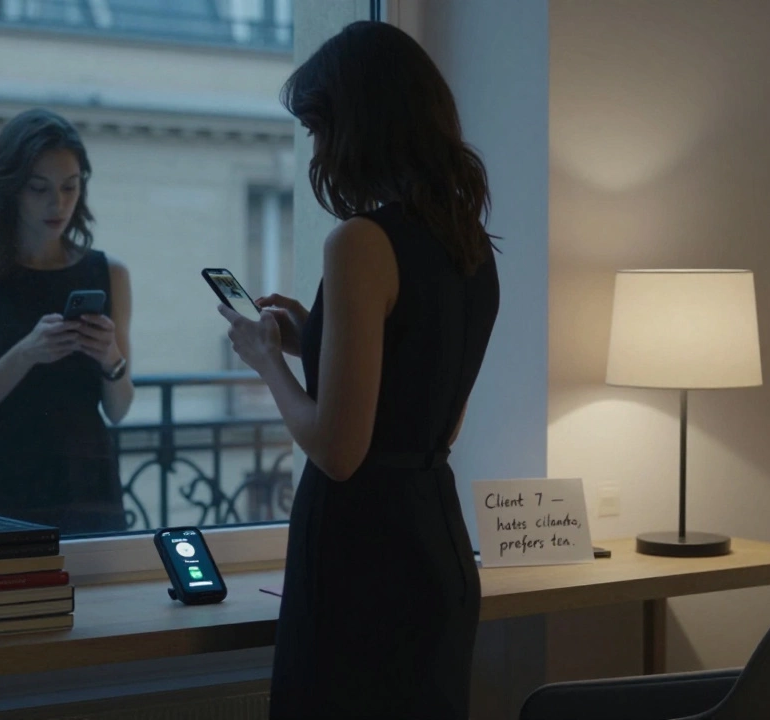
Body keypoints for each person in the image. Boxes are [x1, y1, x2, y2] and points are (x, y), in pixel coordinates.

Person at [217, 21, 501, 719]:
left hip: (361, 560)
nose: (315, 149)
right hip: (436, 545)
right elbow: (431, 408)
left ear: (356, 127)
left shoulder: (360, 243)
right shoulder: (470, 245)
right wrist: (315, 339)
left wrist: (266, 362)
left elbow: (340, 452)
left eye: (318, 130)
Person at [0, 108, 135, 535]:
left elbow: (119, 409)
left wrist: (111, 357)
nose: (57, 203)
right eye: (39, 188)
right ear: (10, 189)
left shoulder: (110, 273)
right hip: (1, 483)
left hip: (89, 482)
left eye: (70, 187)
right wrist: (26, 353)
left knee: (100, 602)